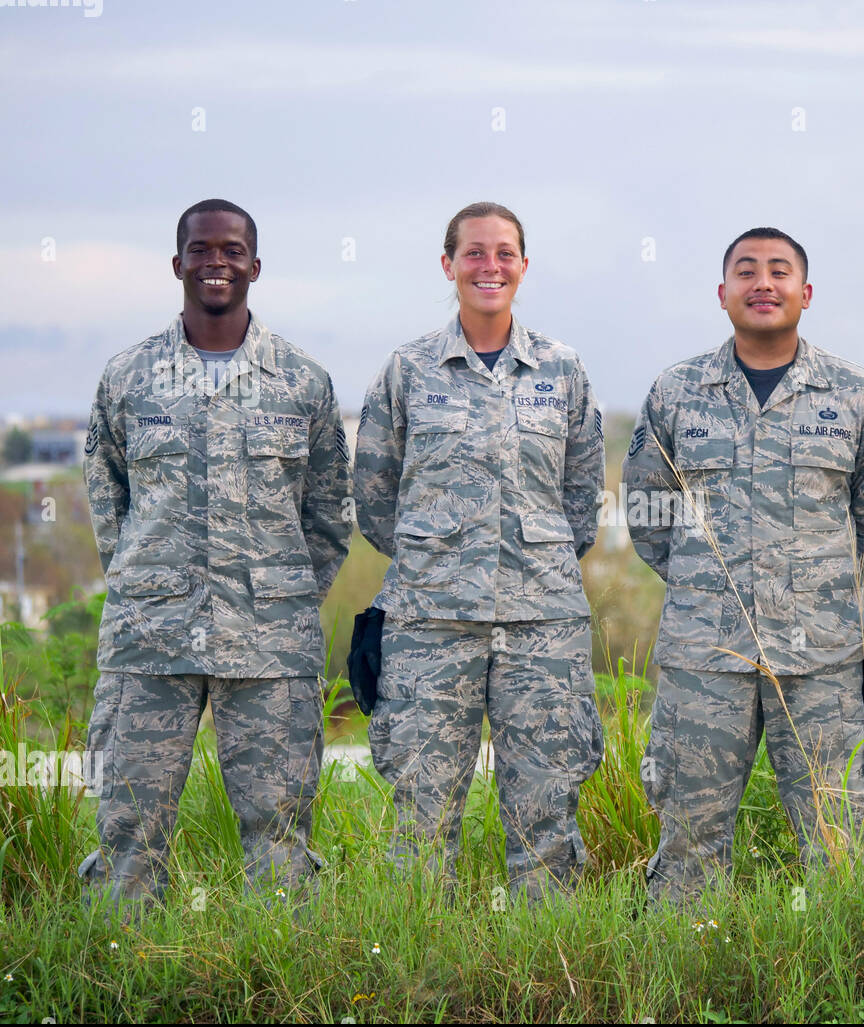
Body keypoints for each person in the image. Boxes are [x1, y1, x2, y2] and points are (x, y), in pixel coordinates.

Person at [622, 227, 864, 902]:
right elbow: (648, 511)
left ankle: (847, 993)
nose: (763, 283)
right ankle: (686, 984)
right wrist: (707, 584)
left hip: (824, 660)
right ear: (722, 294)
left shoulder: (854, 394)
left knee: (842, 844)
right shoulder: (677, 392)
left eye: (780, 271)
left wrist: (822, 591)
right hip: (705, 655)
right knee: (688, 844)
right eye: (746, 271)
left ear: (805, 293)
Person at [80, 199, 351, 907]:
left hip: (270, 643)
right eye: (202, 250)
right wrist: (150, 581)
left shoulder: (302, 382)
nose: (217, 262)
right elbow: (108, 502)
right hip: (149, 640)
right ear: (178, 264)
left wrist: (278, 595)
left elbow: (328, 516)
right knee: (127, 827)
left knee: (281, 833)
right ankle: (120, 974)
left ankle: (279, 982)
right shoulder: (128, 378)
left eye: (232, 250)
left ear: (255, 266)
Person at [353, 201, 604, 899]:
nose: (489, 266)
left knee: (547, 816)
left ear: (524, 266)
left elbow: (582, 497)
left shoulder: (564, 371)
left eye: (504, 253)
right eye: (474, 253)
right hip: (429, 625)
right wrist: (441, 558)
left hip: (542, 628)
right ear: (448, 265)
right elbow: (376, 496)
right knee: (423, 818)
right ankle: (417, 971)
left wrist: (531, 567)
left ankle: (546, 973)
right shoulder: (407, 371)